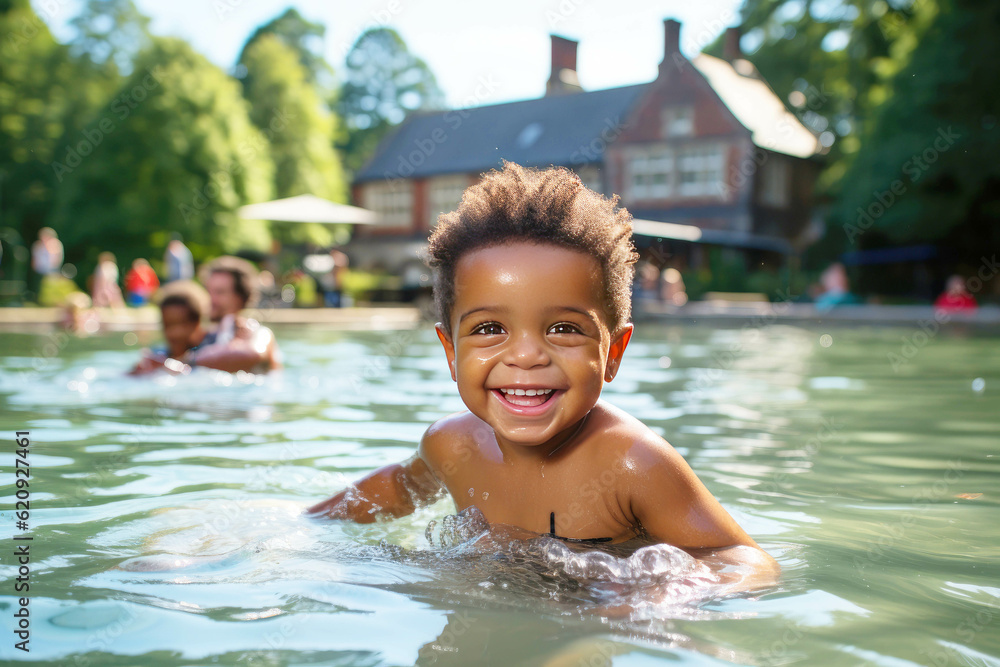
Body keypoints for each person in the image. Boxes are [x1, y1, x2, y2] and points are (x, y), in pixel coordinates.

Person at [305, 162, 779, 590]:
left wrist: (653, 600)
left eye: (563, 328)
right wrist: (301, 525)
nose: (527, 355)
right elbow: (397, 488)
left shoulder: (633, 464)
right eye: (490, 329)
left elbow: (747, 561)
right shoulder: (450, 446)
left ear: (612, 352)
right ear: (450, 352)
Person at [178, 255, 282, 373]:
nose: (210, 299)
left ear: (241, 297)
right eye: (208, 291)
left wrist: (184, 363)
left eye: (220, 292)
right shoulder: (204, 336)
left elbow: (254, 353)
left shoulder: (260, 333)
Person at [129, 280, 209, 376]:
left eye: (181, 324)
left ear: (197, 322)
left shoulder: (211, 350)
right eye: (167, 325)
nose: (173, 332)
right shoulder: (159, 355)